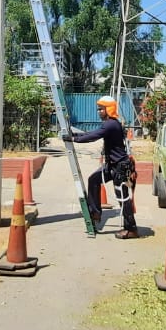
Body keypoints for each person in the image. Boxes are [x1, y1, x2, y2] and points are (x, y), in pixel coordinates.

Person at [67, 95, 137, 239]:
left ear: (109, 109)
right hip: (112, 165)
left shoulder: (111, 124)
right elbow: (93, 133)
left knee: (123, 198)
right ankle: (96, 212)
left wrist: (74, 139)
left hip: (120, 167)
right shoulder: (110, 124)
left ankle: (131, 229)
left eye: (101, 109)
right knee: (94, 179)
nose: (99, 111)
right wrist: (75, 134)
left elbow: (94, 136)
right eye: (98, 109)